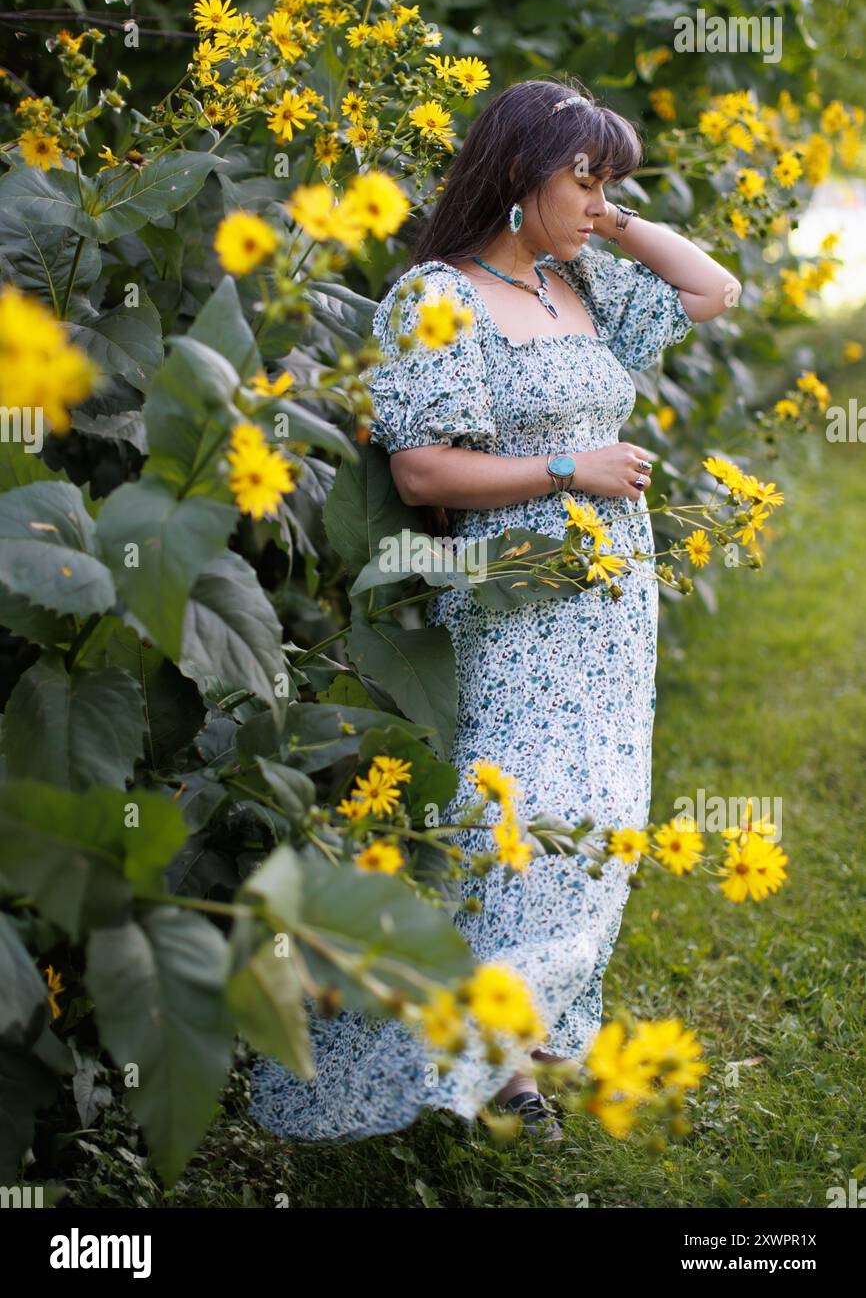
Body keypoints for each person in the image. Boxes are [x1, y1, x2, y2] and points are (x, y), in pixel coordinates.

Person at [248, 78, 740, 1145]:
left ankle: (508, 1046)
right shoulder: (438, 294)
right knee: (509, 817)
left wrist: (612, 216)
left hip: (609, 599)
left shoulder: (581, 283)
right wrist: (570, 465)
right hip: (513, 589)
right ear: (518, 174)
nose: (599, 197)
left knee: (596, 820)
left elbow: (713, 293)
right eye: (583, 174)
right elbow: (422, 470)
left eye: (609, 180)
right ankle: (477, 1059)